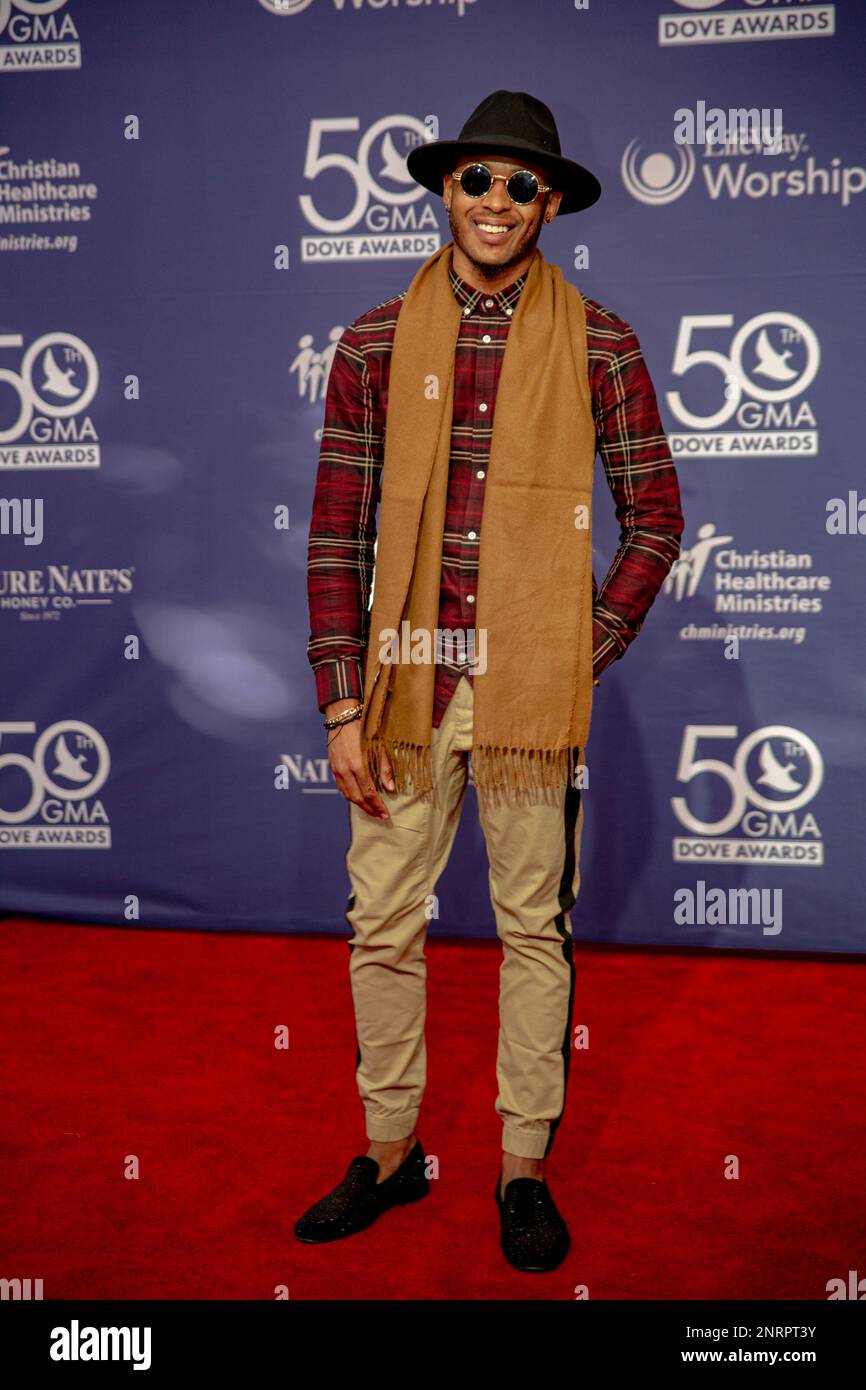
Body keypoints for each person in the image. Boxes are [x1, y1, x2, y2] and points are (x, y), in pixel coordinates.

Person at [297, 90, 684, 1273]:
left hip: (524, 698)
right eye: (477, 180)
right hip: (403, 687)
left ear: (551, 201)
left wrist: (575, 649)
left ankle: (520, 1169)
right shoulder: (371, 342)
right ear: (444, 189)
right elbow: (334, 533)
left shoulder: (600, 341)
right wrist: (342, 700)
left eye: (522, 185)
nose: (497, 201)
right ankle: (389, 1151)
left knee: (532, 932)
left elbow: (655, 519)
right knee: (380, 930)